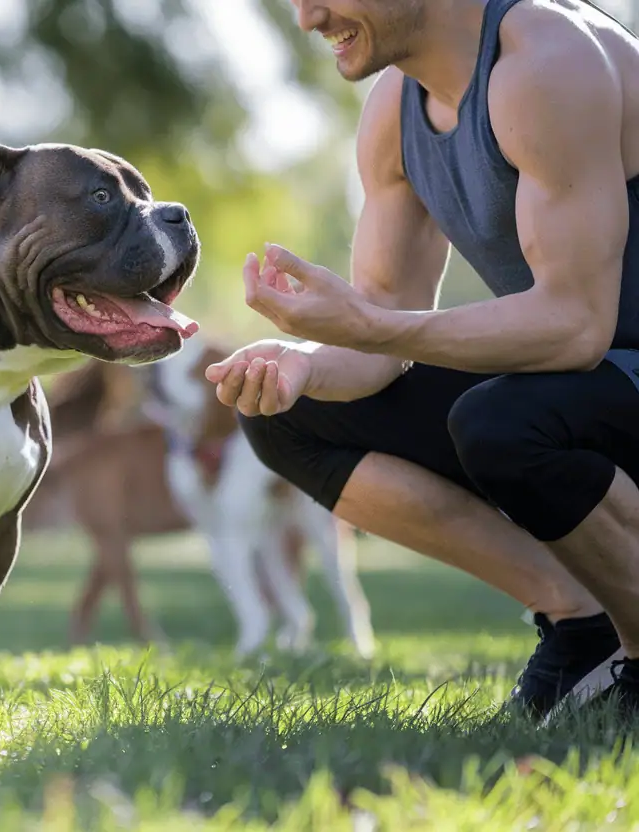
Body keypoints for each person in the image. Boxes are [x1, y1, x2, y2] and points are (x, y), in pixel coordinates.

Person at [207, 0, 639, 723]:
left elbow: (576, 326)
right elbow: (382, 324)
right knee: (293, 413)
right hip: (592, 382)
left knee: (503, 423)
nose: (308, 17)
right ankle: (581, 618)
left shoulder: (546, 60)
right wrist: (305, 364)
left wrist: (370, 326)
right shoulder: (395, 110)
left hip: (603, 362)